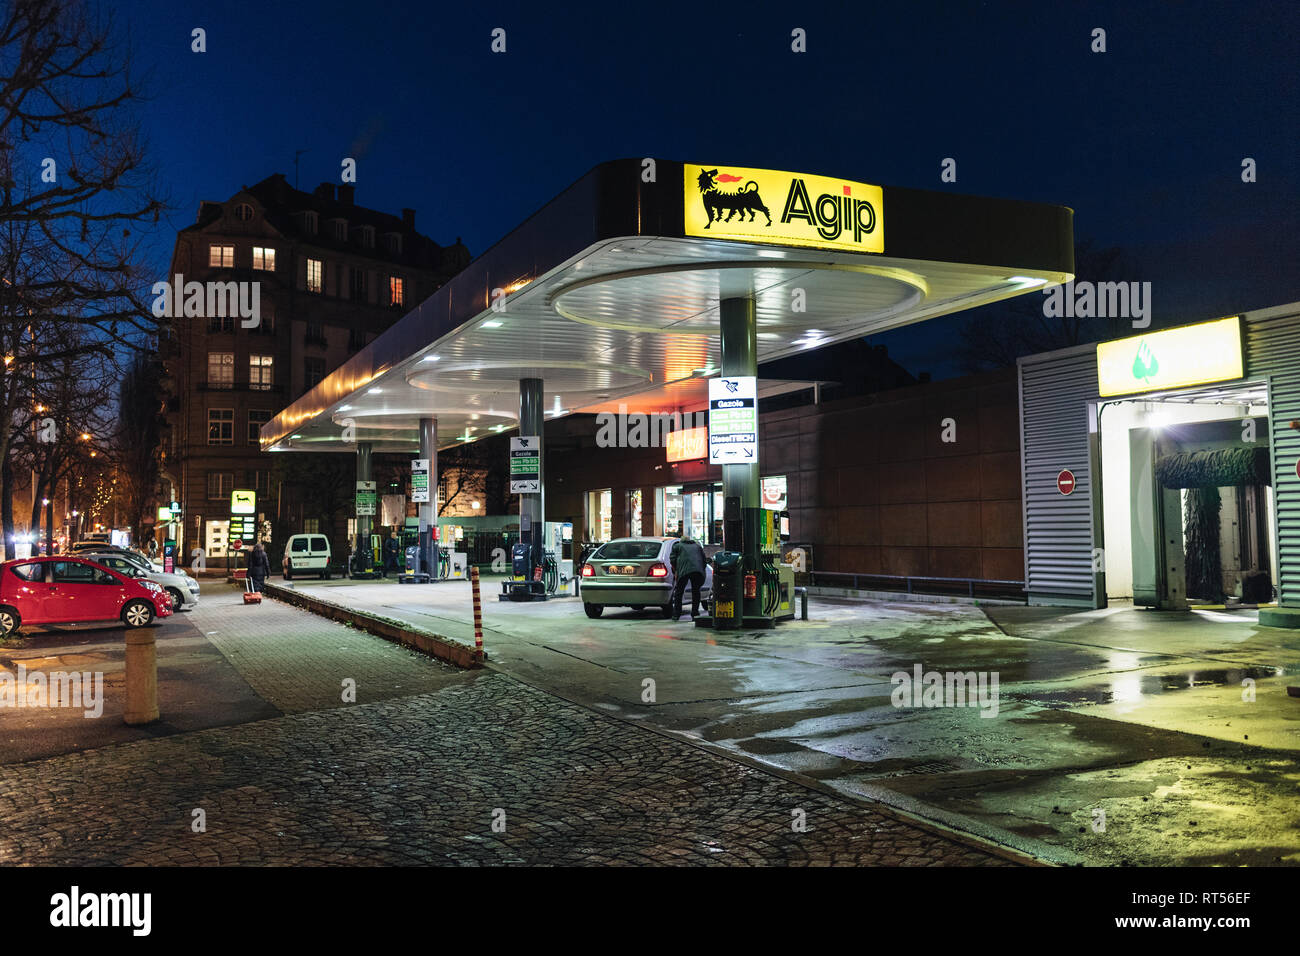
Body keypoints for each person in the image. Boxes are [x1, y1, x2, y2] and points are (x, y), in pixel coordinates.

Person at [669, 532, 707, 622]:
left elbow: (672, 559)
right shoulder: (697, 546)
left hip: (683, 571)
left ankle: (676, 614)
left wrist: (676, 570)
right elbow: (704, 560)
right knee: (696, 592)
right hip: (697, 571)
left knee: (679, 592)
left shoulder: (677, 546)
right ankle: (695, 614)